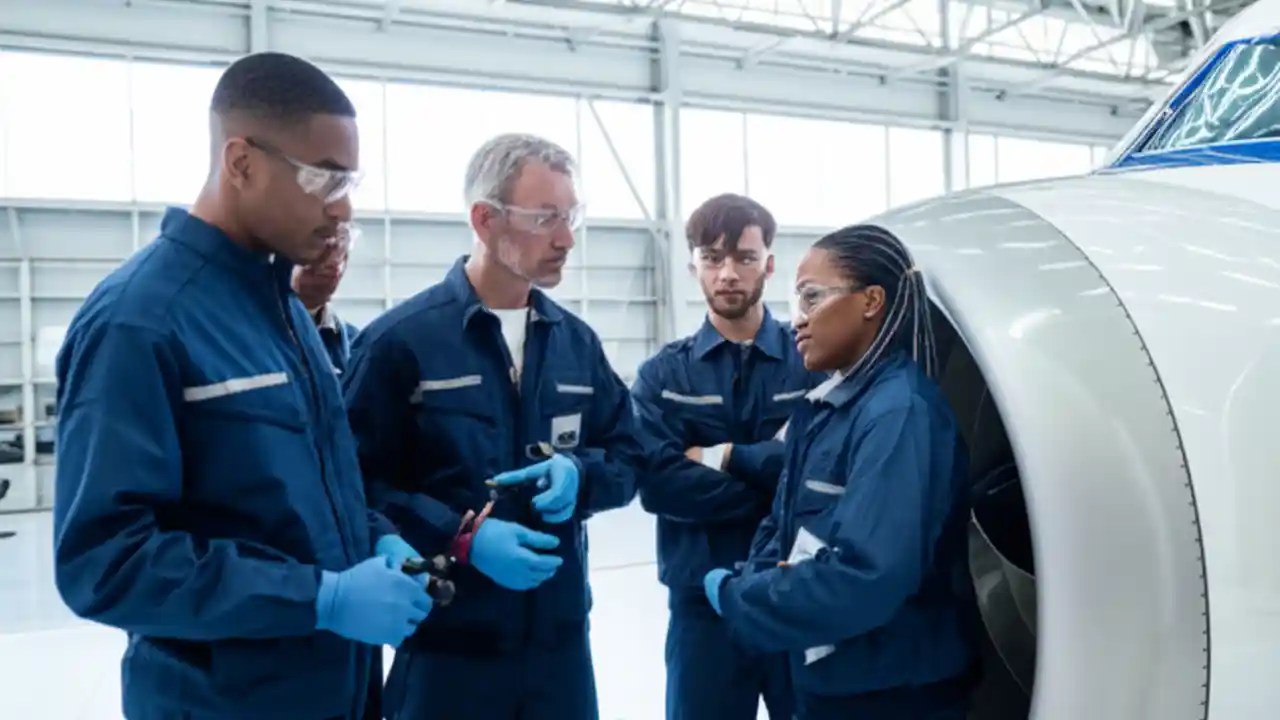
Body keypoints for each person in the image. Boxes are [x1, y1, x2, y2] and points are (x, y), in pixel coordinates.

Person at [51, 52, 435, 720]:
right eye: (323, 178)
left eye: (349, 181)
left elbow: (292, 492)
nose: (343, 207)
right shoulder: (140, 322)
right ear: (241, 163)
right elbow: (105, 562)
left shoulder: (284, 311)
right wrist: (319, 599)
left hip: (334, 692)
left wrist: (370, 535)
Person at [343, 132, 644, 720]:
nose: (566, 238)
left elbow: (631, 457)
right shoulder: (400, 343)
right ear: (484, 219)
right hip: (447, 653)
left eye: (572, 216)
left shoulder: (576, 345)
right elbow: (351, 486)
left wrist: (581, 475)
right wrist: (458, 537)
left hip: (560, 654)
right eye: (545, 218)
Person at [702, 225, 981, 720]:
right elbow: (785, 521)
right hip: (834, 677)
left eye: (812, 297)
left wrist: (740, 598)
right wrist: (754, 576)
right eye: (797, 301)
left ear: (871, 301)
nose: (797, 319)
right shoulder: (831, 408)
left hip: (890, 694)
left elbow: (868, 575)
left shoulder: (899, 415)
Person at [630, 193, 822, 720]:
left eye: (745, 257)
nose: (728, 273)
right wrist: (774, 479)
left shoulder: (813, 364)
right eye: (712, 258)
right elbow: (660, 485)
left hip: (796, 594)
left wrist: (719, 457)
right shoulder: (664, 376)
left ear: (770, 265)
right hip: (702, 604)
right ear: (693, 264)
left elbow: (827, 468)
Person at [294, 222, 360, 373]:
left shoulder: (352, 343)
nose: (333, 263)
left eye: (341, 255)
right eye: (321, 254)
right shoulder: (256, 331)